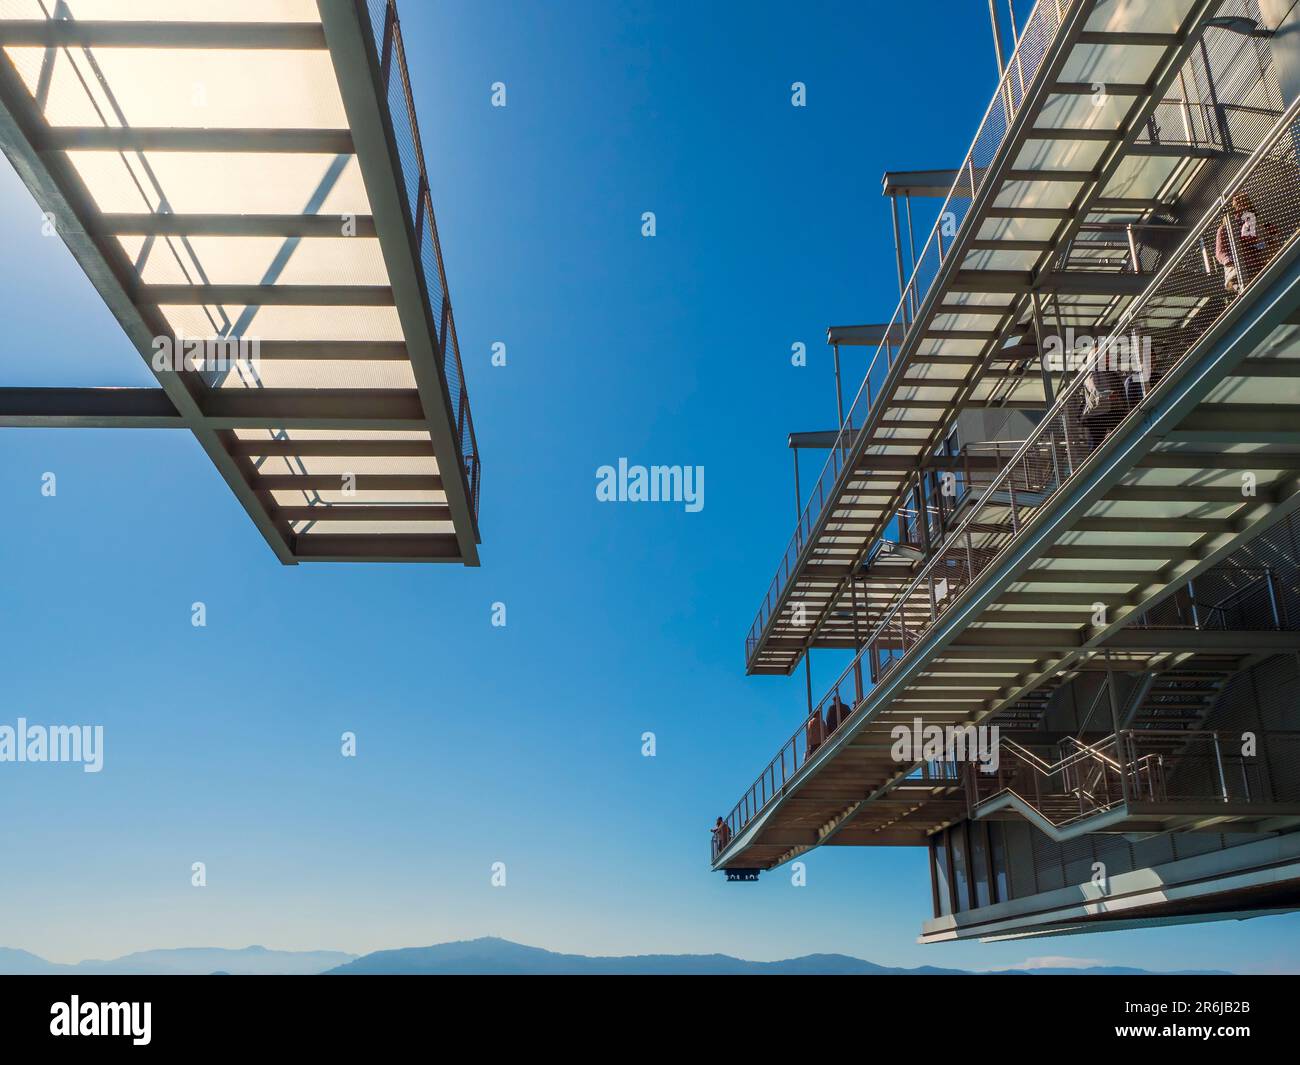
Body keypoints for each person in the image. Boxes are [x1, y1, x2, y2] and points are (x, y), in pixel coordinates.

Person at [1216, 191, 1271, 295]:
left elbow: (1258, 244)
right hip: (1236, 271)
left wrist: (1264, 242)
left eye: (1244, 203)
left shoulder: (1253, 223)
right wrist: (1234, 262)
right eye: (1238, 204)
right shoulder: (1224, 228)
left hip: (1255, 267)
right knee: (1247, 292)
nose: (1241, 207)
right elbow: (1220, 253)